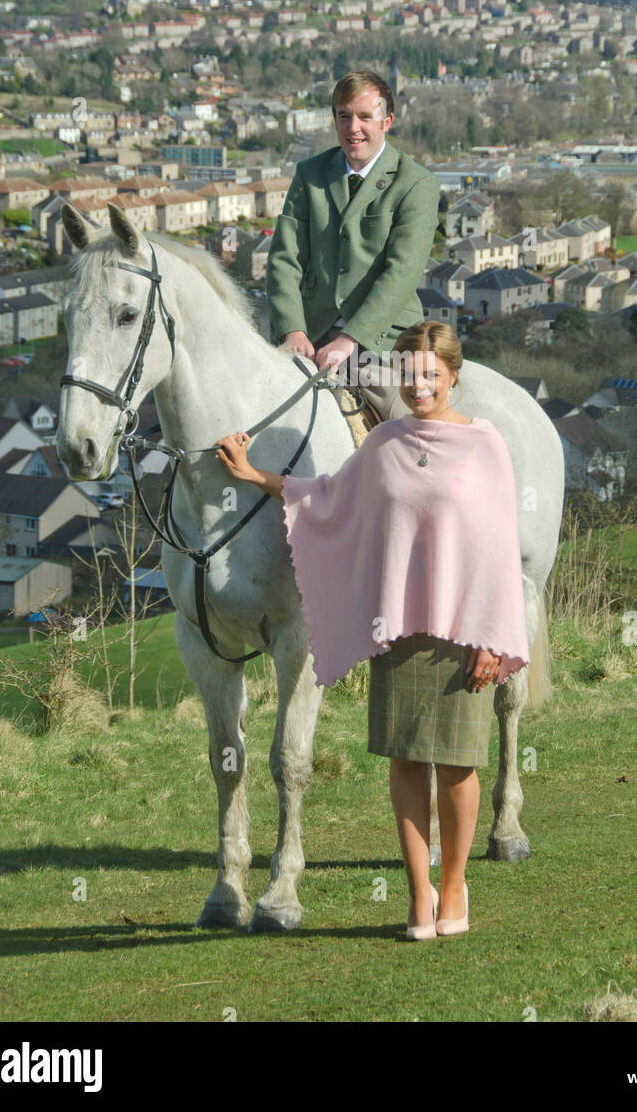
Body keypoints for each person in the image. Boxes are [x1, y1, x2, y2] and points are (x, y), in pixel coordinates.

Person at [215, 321, 530, 940]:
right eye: (409, 376)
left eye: (431, 376)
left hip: (466, 635)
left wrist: (494, 638)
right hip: (402, 633)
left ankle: (455, 885)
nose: (419, 387)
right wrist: (255, 477)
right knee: (407, 765)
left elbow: (499, 546)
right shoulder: (383, 443)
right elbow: (330, 499)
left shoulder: (486, 444)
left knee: (459, 769)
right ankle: (418, 897)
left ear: (453, 377)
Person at [266, 69, 440, 420]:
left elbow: (402, 273)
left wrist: (350, 340)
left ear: (387, 121)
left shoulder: (416, 184)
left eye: (364, 117)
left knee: (405, 428)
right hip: (309, 332)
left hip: (382, 340)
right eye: (343, 116)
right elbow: (284, 258)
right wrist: (292, 327)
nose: (353, 128)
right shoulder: (310, 174)